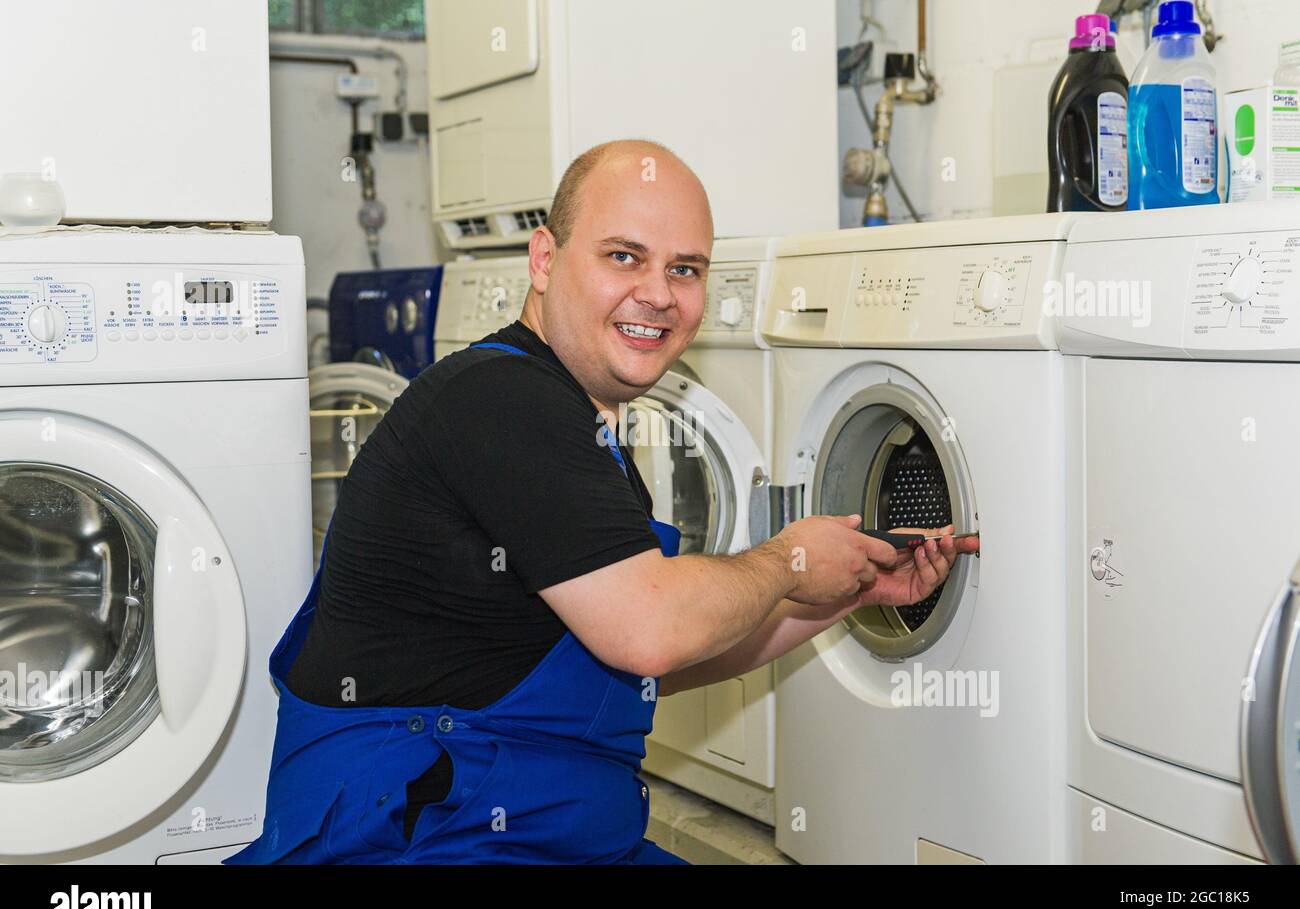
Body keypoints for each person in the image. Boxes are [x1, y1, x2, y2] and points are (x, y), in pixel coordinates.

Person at [226, 139, 978, 866]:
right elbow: (649, 630)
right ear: (545, 259)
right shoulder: (500, 399)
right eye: (625, 256)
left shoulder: (576, 423)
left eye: (685, 269)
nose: (657, 293)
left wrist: (850, 590)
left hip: (528, 830)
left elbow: (657, 655)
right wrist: (790, 559)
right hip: (416, 833)